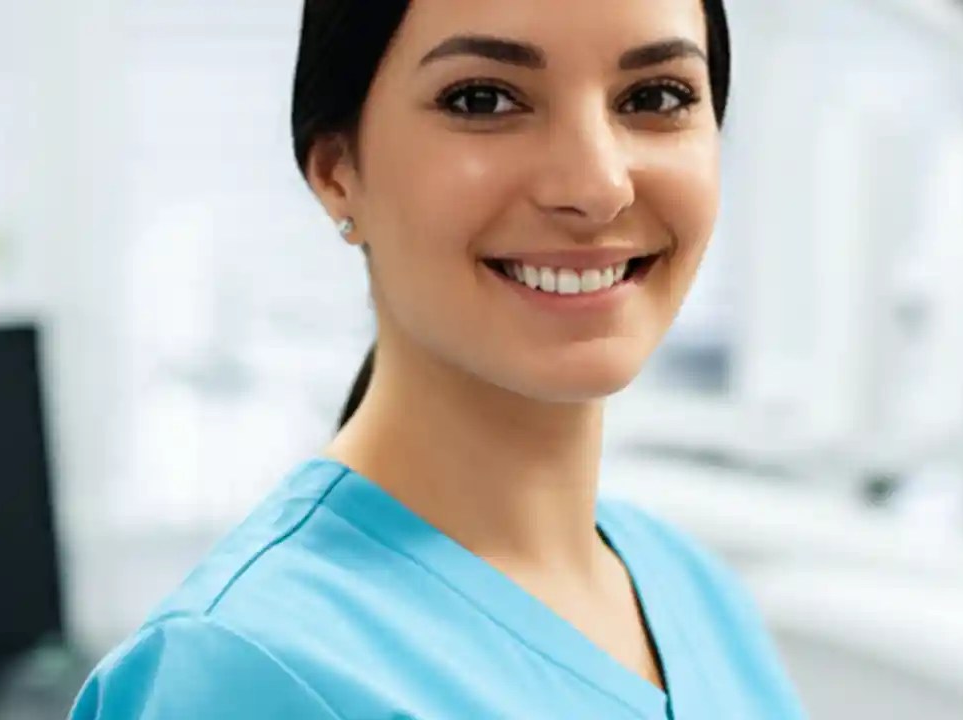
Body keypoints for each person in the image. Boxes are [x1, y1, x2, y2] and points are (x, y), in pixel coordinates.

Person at [70, 0, 806, 717]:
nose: (597, 186)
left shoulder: (696, 594)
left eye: (656, 95)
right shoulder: (240, 673)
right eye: (484, 100)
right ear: (335, 171)